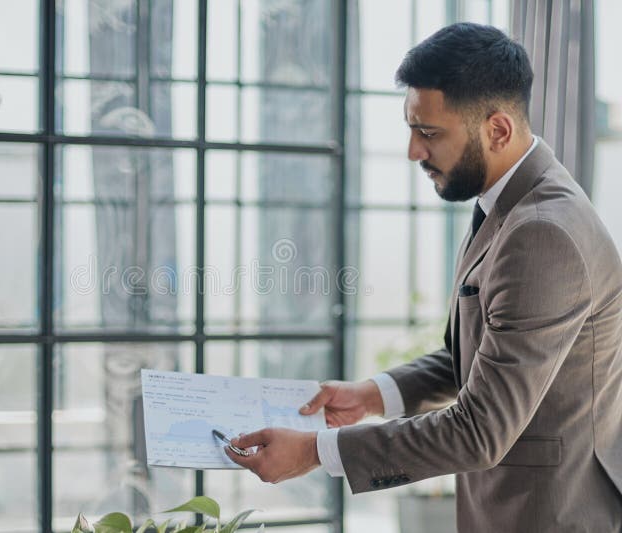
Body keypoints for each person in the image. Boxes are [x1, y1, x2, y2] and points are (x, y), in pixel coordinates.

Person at [226, 22, 622, 532]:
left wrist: (315, 452)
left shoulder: (542, 232)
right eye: (412, 129)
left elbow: (480, 431)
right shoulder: (514, 203)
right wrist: (372, 394)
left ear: (497, 130)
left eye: (429, 133)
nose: (414, 151)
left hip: (549, 515)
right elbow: (483, 355)